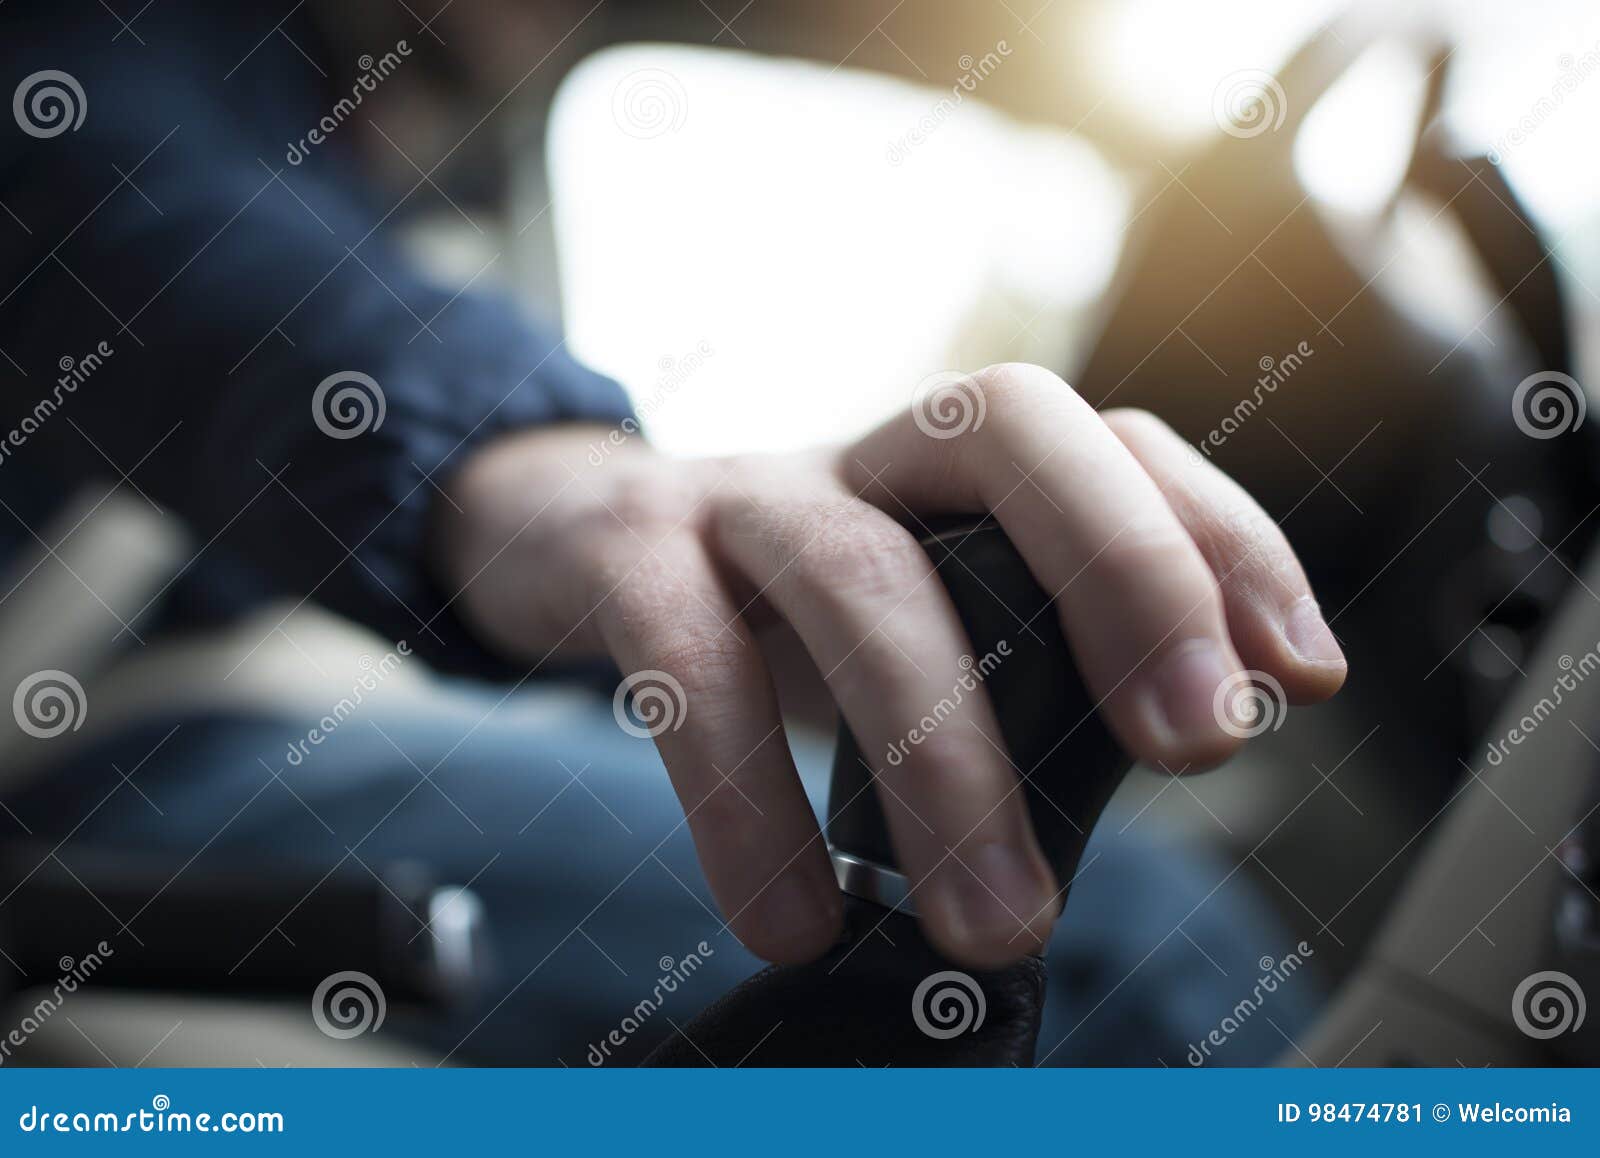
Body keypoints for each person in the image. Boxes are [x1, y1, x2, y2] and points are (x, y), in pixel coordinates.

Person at [0, 1, 1343, 1063]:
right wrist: (546, 475)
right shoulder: (118, 52)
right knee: (1133, 946)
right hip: (99, 752)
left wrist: (769, 631)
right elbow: (125, 224)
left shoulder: (416, 110)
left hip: (287, 696)